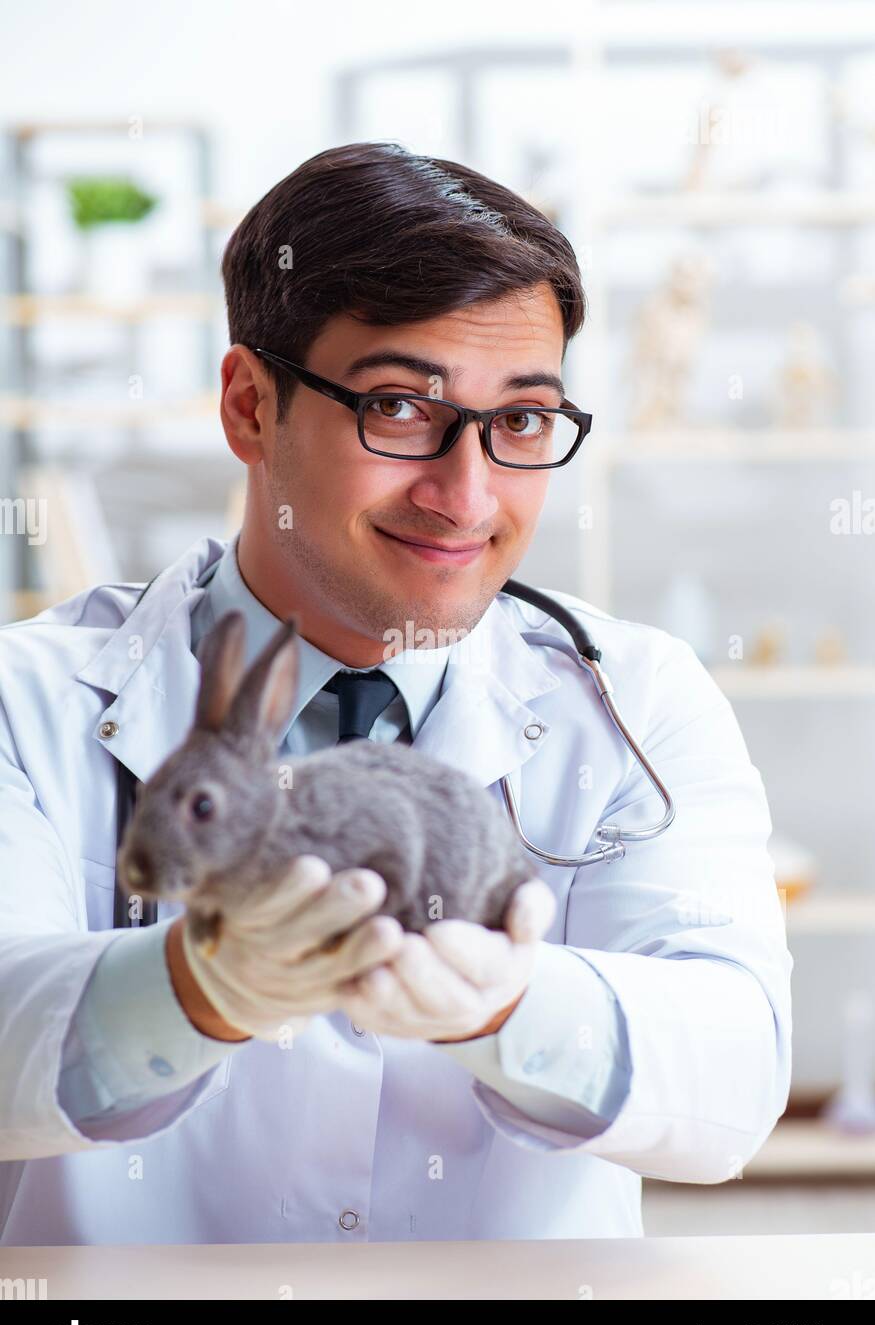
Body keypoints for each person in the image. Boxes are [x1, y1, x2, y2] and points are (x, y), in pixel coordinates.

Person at [0, 142, 791, 1245]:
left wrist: (511, 1005)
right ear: (248, 407)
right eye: (399, 409)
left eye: (518, 421)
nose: (464, 494)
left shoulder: (635, 702)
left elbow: (732, 1079)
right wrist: (194, 988)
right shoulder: (25, 700)